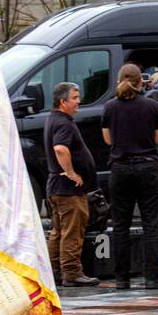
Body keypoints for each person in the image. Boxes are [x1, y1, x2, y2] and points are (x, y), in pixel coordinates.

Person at [101, 64, 158, 291]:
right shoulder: (151, 106)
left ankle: (122, 278)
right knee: (151, 223)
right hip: (147, 167)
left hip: (120, 168)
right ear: (140, 81)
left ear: (120, 80)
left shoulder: (110, 107)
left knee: (120, 225)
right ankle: (153, 276)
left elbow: (107, 139)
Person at [45, 81, 100, 288]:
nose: (79, 102)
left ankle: (55, 271)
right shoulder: (63, 123)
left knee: (58, 231)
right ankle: (71, 272)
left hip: (56, 186)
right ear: (63, 101)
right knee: (72, 232)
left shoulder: (55, 119)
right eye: (75, 98)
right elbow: (60, 148)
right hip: (68, 189)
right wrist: (71, 173)